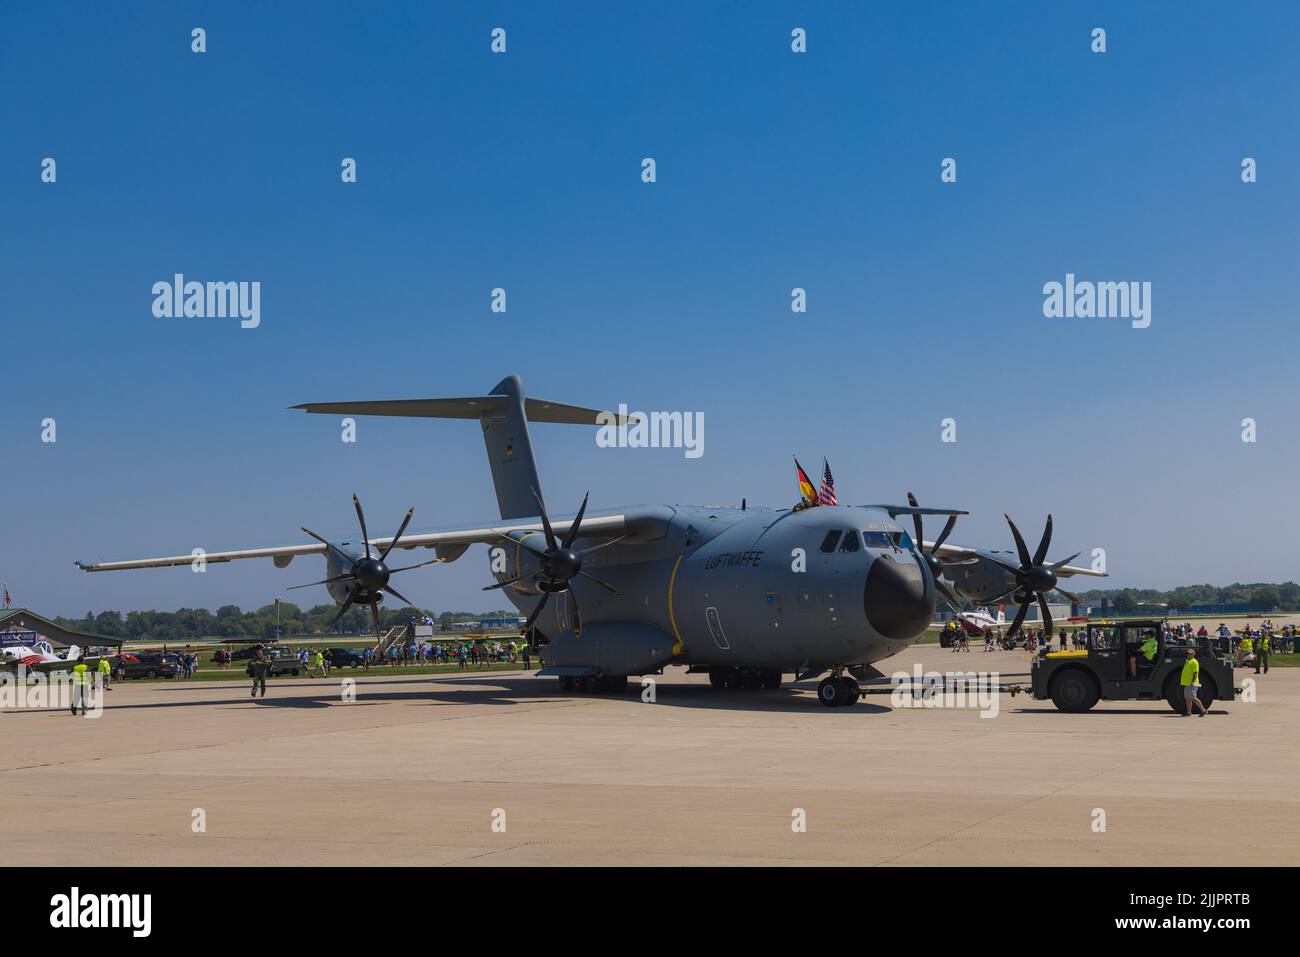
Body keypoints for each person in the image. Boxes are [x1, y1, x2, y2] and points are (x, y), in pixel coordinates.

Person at [1180, 648, 1207, 717]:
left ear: (1193, 654)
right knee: (1187, 698)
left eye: (1190, 654)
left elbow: (1195, 673)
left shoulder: (1194, 662)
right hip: (1187, 683)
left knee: (1193, 698)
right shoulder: (1188, 661)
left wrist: (1192, 681)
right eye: (1187, 653)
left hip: (1192, 683)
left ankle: (1203, 710)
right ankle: (1188, 712)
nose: (1188, 655)